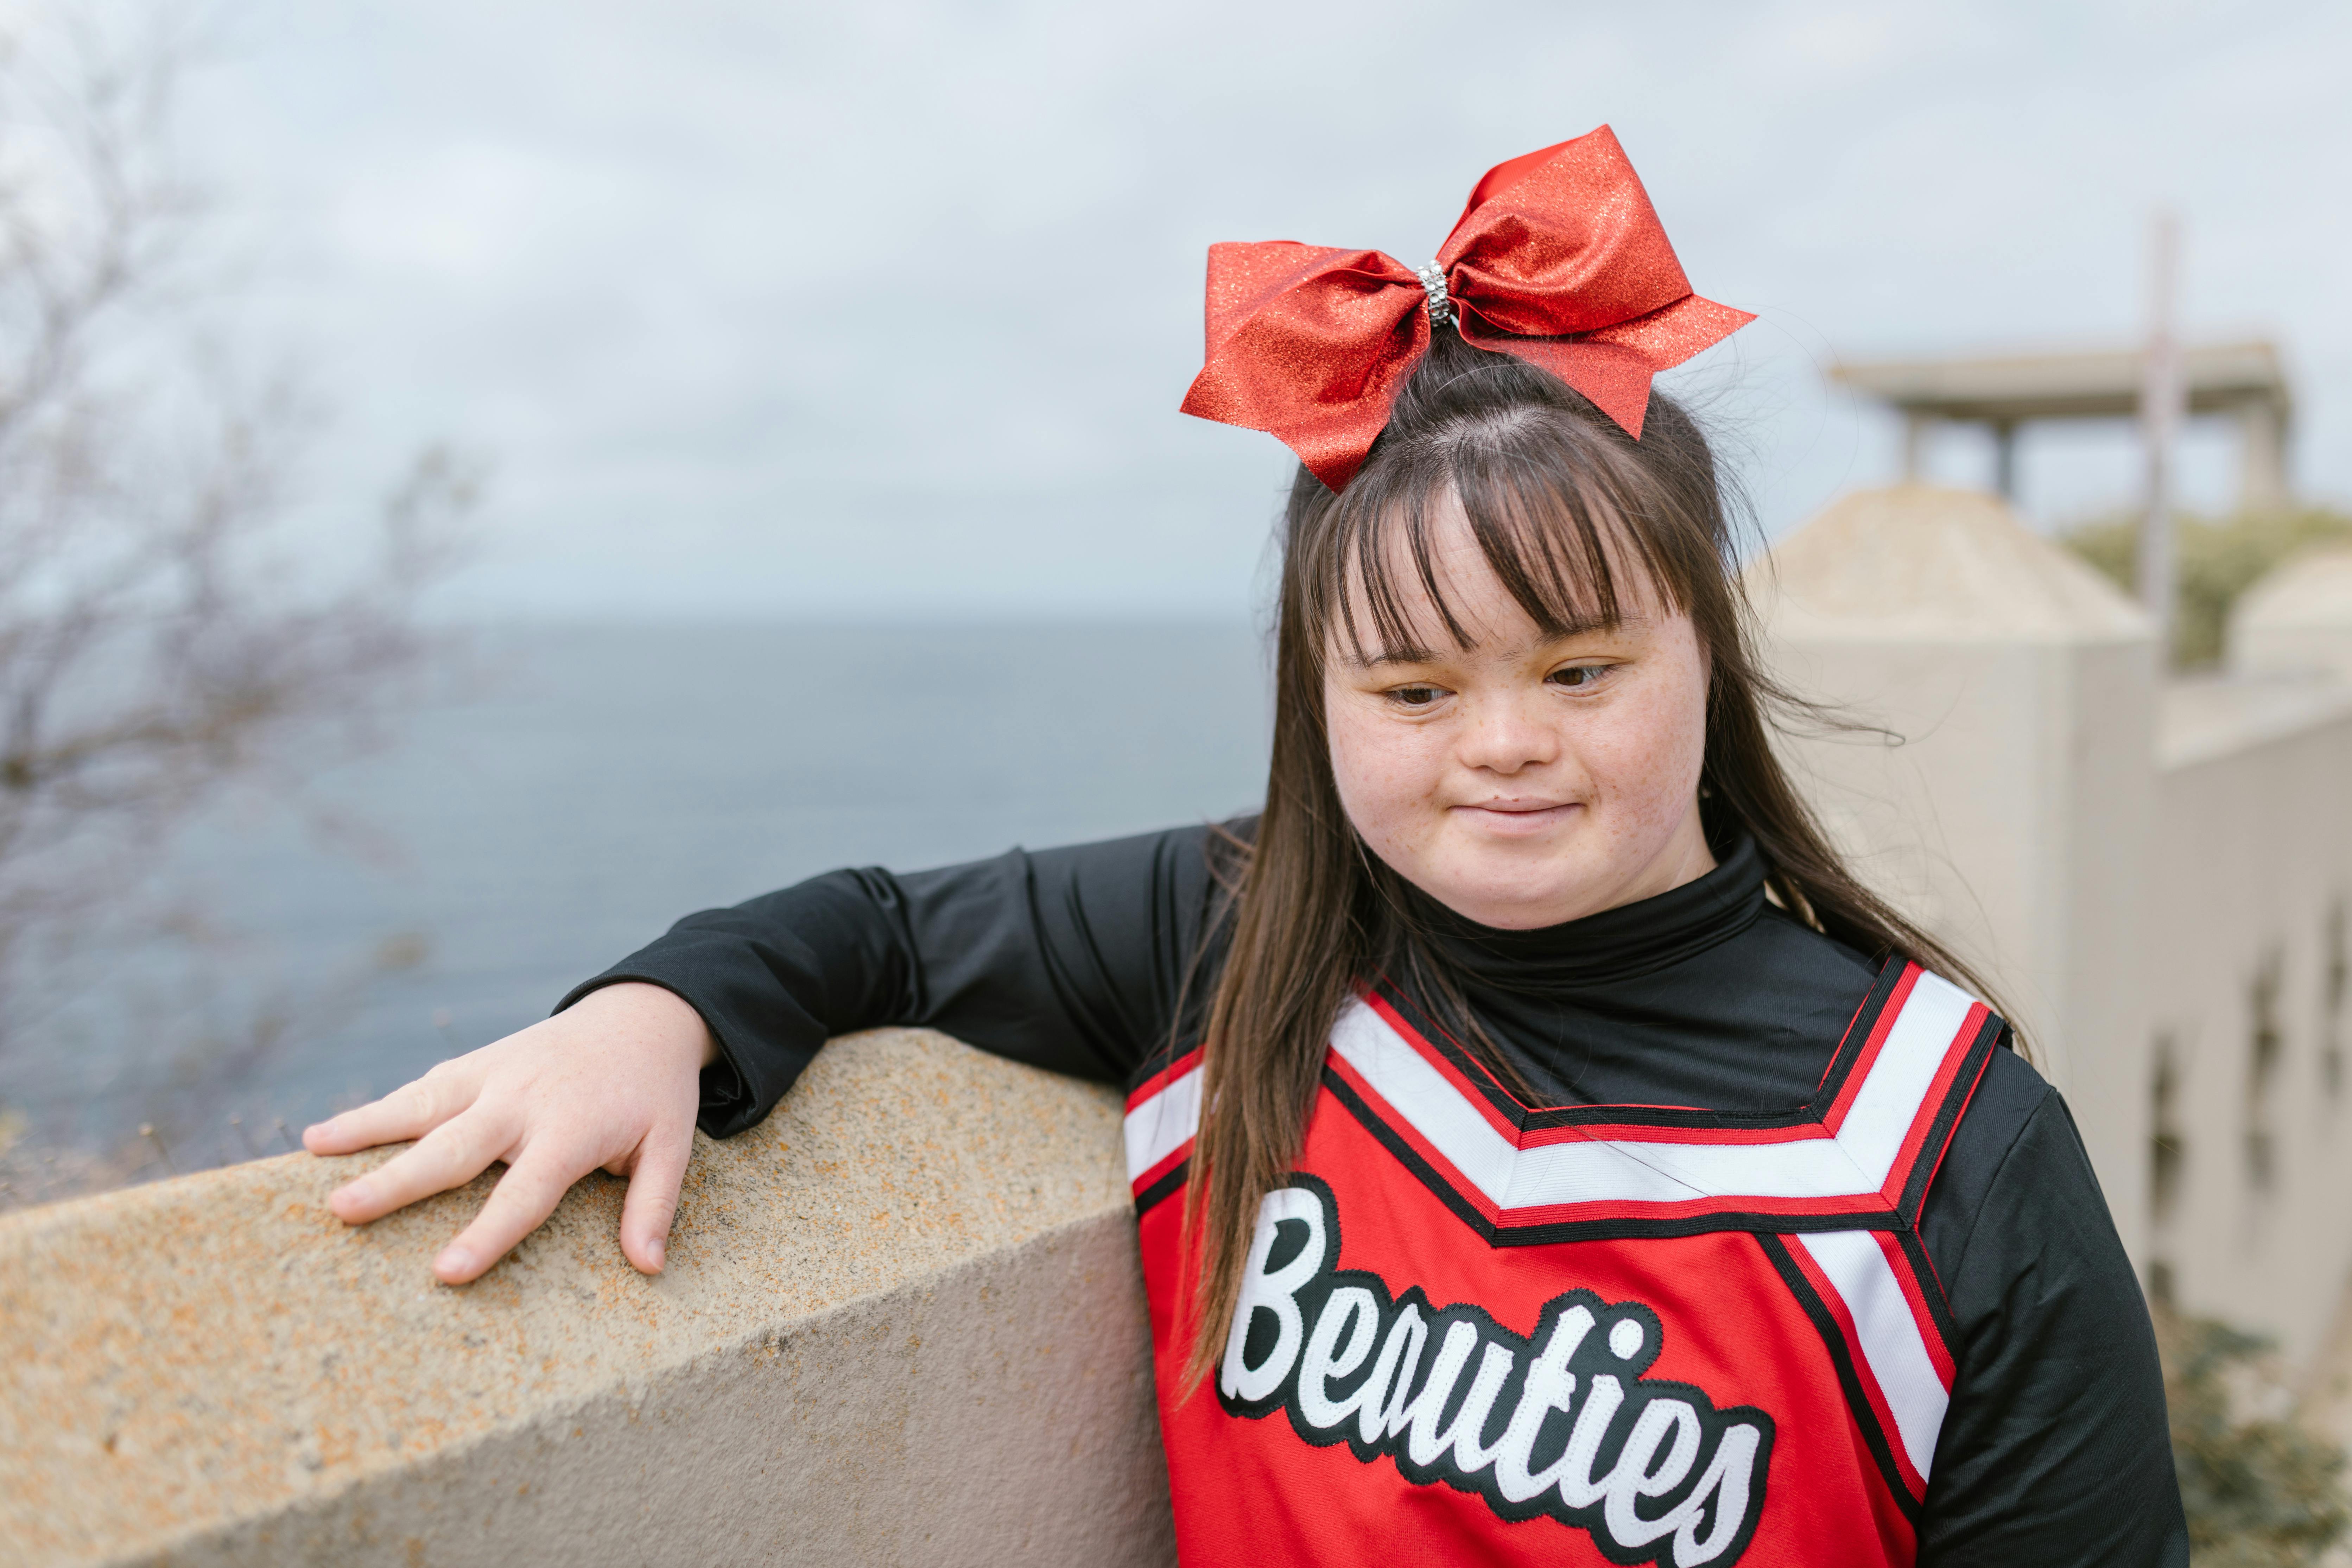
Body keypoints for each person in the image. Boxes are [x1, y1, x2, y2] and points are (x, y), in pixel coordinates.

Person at [304, 128, 2186, 1566]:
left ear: (1711, 650)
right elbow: (870, 931)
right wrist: (645, 1020)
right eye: (1416, 691)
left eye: (1584, 664)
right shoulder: (1240, 935)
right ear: (1321, 706)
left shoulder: (1949, 1146)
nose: (1507, 743)